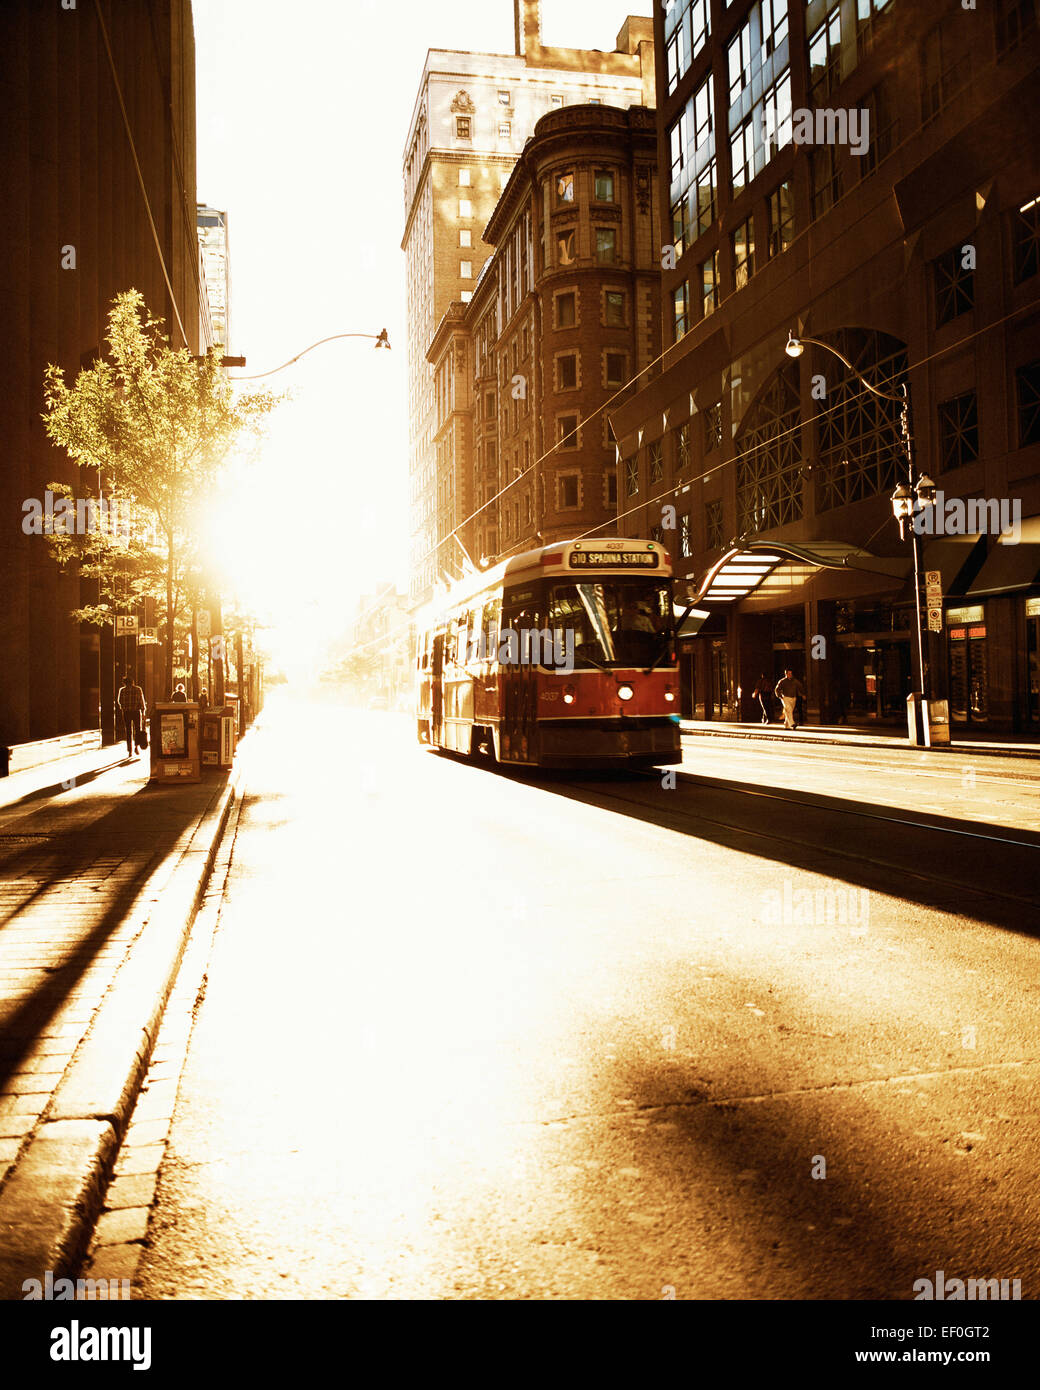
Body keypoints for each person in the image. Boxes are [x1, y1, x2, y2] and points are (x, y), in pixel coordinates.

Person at [116, 671, 147, 757]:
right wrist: (143, 712)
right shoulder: (138, 689)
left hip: (126, 713)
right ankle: (136, 747)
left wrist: (124, 708)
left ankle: (129, 750)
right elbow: (141, 701)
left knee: (128, 731)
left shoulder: (122, 690)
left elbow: (119, 701)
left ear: (124, 683)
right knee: (137, 729)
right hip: (136, 712)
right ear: (132, 682)